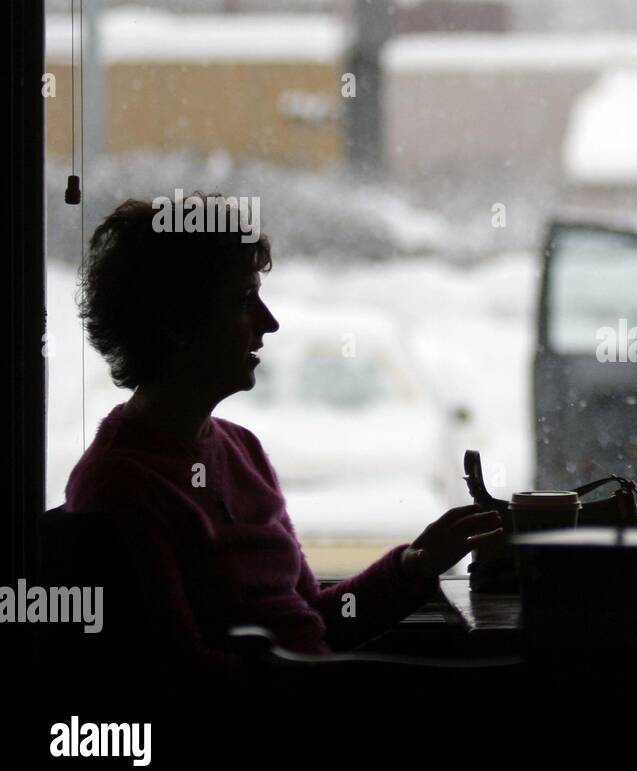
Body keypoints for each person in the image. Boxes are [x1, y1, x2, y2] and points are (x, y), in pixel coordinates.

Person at [63, 195, 503, 679]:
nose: (269, 322)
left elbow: (310, 619)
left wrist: (415, 566)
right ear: (177, 323)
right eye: (242, 300)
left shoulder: (241, 450)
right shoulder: (119, 487)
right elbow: (181, 679)